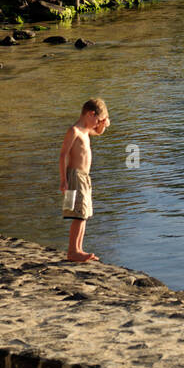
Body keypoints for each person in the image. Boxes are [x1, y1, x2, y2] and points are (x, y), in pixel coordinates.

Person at [60, 98, 110, 262]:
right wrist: (63, 180)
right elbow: (63, 155)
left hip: (84, 178)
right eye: (96, 120)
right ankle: (73, 251)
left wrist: (103, 124)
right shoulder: (75, 131)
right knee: (78, 215)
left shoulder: (86, 130)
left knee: (84, 214)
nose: (96, 125)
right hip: (74, 176)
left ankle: (78, 248)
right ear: (90, 114)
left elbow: (98, 132)